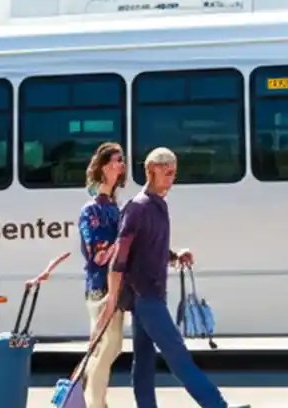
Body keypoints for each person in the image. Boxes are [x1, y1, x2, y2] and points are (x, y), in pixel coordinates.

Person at [99, 147, 248, 408]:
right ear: (150, 170)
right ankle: (217, 404)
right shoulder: (138, 208)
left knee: (144, 361)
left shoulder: (159, 206)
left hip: (151, 294)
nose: (171, 178)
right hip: (145, 296)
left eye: (174, 173)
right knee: (176, 353)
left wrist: (175, 255)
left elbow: (148, 247)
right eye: (166, 172)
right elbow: (119, 256)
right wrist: (112, 297)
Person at [34, 141, 128, 408]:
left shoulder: (113, 207)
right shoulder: (92, 210)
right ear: (103, 167)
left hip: (115, 286)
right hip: (100, 288)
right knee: (106, 347)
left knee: (107, 347)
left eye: (121, 160)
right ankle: (95, 403)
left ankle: (93, 401)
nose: (121, 165)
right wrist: (124, 243)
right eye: (116, 160)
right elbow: (97, 255)